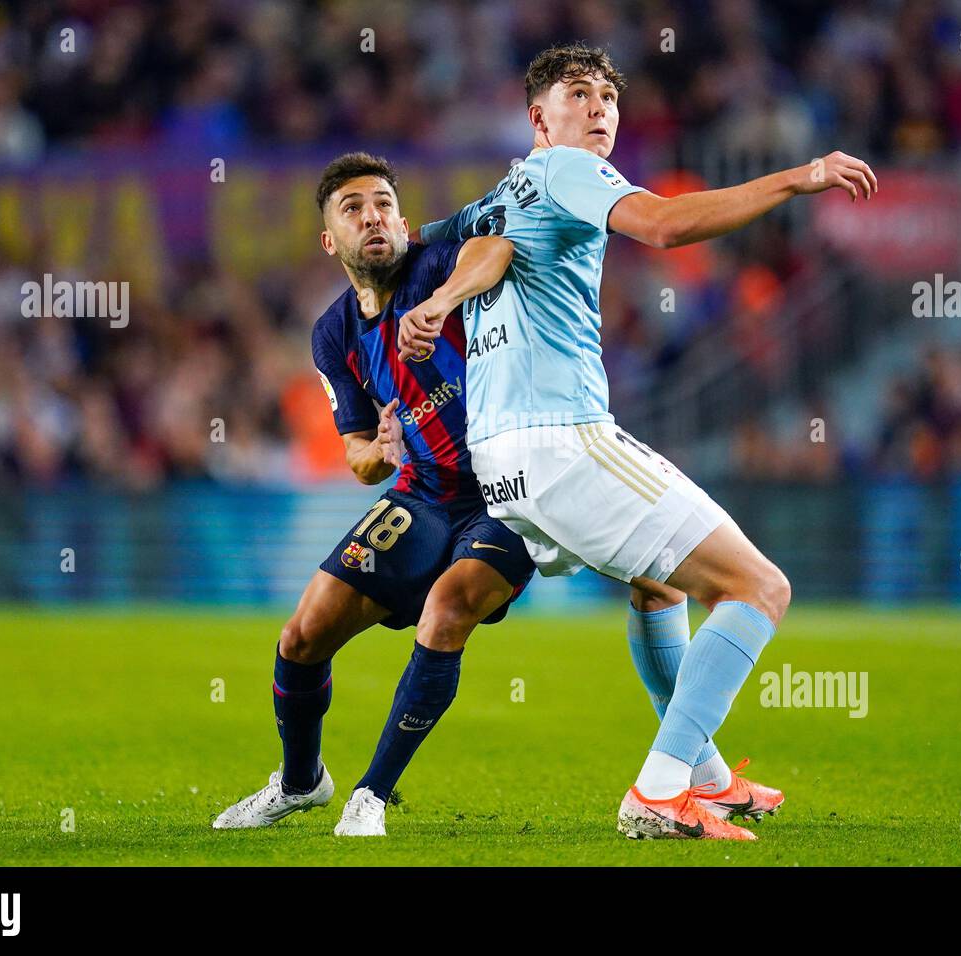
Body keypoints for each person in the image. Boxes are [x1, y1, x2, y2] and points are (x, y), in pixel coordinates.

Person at [400, 44, 877, 840]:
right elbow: (659, 225)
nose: (598, 110)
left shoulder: (494, 200)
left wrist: (399, 259)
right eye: (577, 94)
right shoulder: (562, 172)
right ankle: (657, 792)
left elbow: (427, 243)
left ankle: (709, 778)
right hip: (562, 440)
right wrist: (801, 177)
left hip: (504, 464)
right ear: (537, 118)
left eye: (608, 99)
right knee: (760, 588)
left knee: (660, 588)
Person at [214, 152, 534, 837]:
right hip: (422, 494)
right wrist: (377, 452)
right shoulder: (334, 334)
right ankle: (302, 783)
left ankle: (373, 796)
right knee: (301, 637)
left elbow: (498, 248)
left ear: (405, 221)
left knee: (446, 612)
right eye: (354, 208)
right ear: (331, 240)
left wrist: (444, 304)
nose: (374, 216)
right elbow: (357, 452)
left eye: (385, 203)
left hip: (512, 487)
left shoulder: (435, 266)